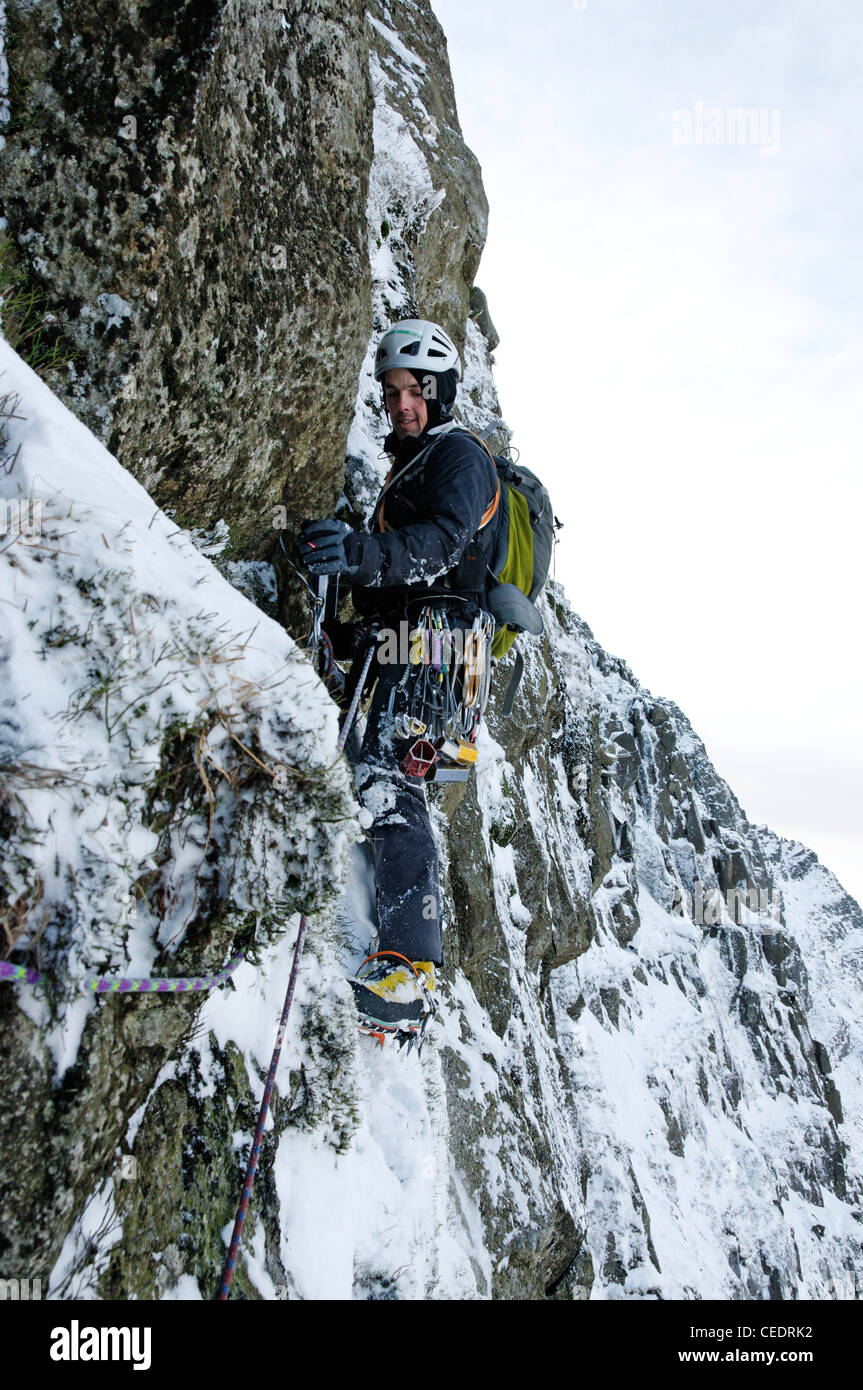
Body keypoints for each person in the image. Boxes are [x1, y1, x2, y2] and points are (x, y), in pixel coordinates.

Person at [299, 318, 499, 1032]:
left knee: (391, 769)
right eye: (391, 393)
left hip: (442, 640)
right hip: (418, 637)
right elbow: (402, 593)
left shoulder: (461, 458)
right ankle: (398, 964)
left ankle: (410, 971)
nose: (401, 404)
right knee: (384, 766)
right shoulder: (411, 466)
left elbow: (442, 549)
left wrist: (358, 554)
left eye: (415, 390)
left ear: (442, 392)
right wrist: (343, 633)